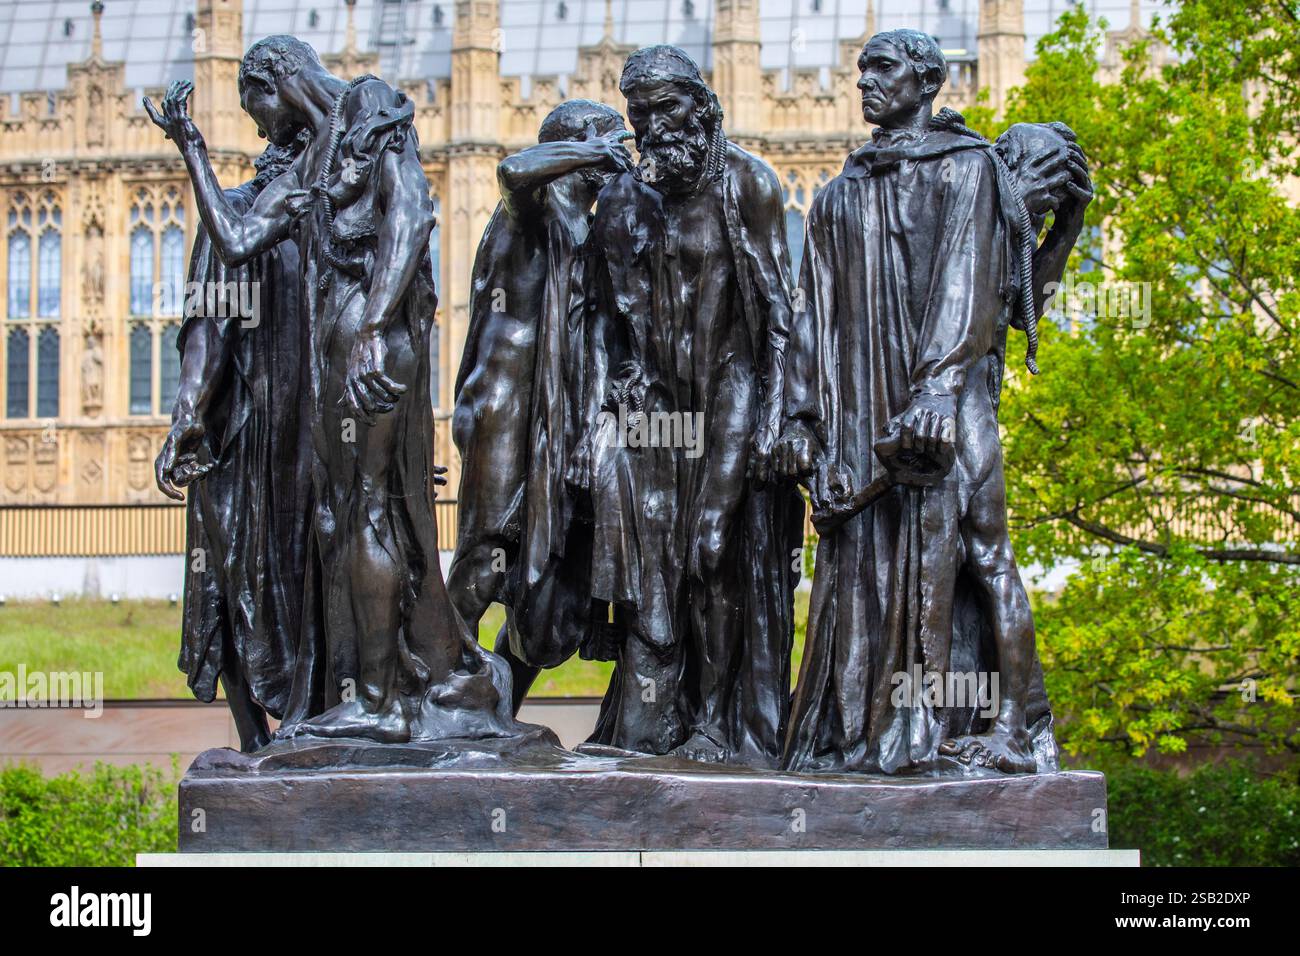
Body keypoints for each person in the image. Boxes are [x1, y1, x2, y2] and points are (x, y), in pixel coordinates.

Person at [146, 36, 523, 744]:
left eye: (252, 105)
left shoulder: (368, 107)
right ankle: (386, 688)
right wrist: (191, 145)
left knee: (365, 516)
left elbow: (412, 213)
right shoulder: (313, 156)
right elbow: (233, 237)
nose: (257, 128)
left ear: (274, 79)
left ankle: (381, 703)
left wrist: (376, 325)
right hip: (341, 352)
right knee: (344, 521)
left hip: (367, 343)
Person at [777, 30, 1092, 774]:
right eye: (859, 71)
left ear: (926, 80)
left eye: (882, 69)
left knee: (984, 556)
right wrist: (799, 417)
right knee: (867, 563)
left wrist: (939, 389)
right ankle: (866, 729)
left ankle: (1015, 726)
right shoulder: (840, 194)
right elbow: (809, 313)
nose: (864, 83)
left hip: (944, 405)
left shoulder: (970, 170)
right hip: (865, 415)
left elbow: (978, 289)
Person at [571, 46, 804, 765]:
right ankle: (653, 724)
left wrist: (779, 421)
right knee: (654, 570)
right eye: (639, 115)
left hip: (730, 393)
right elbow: (599, 319)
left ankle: (718, 724)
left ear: (702, 108)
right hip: (653, 407)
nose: (652, 127)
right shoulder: (622, 199)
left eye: (666, 110)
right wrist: (602, 407)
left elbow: (781, 314)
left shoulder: (748, 185)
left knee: (711, 549)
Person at [448, 100, 633, 712]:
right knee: (488, 552)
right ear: (577, 148)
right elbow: (513, 170)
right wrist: (591, 151)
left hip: (565, 417)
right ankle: (439, 695)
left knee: (548, 581)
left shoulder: (592, 224)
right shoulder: (529, 211)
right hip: (506, 403)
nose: (623, 152)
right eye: (612, 140)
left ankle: (498, 711)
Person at [155, 136, 311, 752]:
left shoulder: (327, 224)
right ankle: (253, 740)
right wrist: (187, 415)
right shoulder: (236, 218)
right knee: (233, 574)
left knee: (311, 578)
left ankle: (309, 725)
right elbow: (207, 331)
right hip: (244, 436)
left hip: (312, 437)